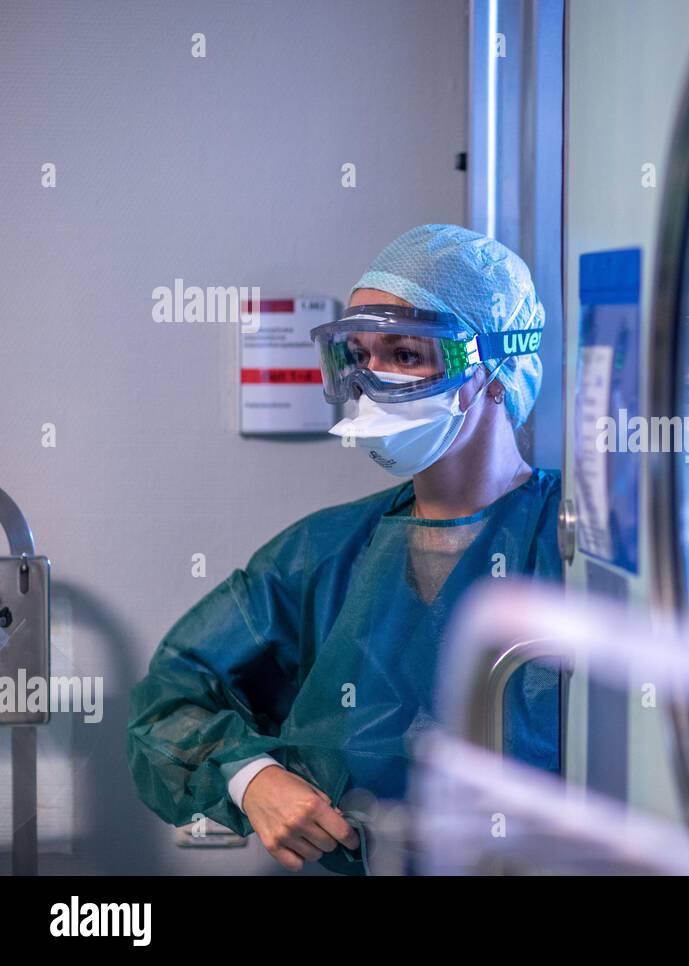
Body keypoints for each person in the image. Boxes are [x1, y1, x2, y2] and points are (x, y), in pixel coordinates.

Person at [127, 225, 558, 874]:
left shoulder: (576, 550)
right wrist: (252, 777)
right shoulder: (324, 554)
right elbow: (169, 698)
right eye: (359, 354)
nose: (372, 380)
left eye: (406, 354)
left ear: (497, 369)